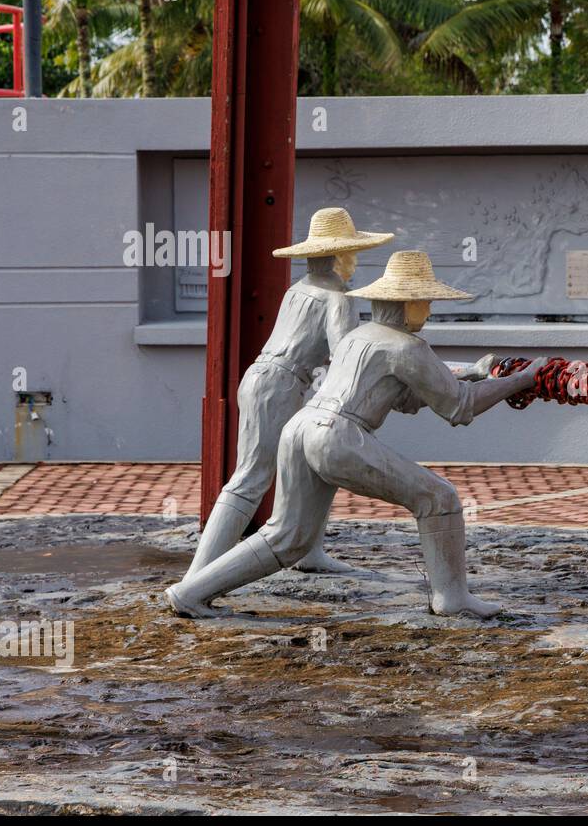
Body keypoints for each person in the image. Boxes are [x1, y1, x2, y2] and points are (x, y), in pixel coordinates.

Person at [167, 250, 546, 620]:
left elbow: (409, 397)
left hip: (299, 428)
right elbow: (460, 408)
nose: (428, 311)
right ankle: (452, 597)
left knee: (288, 536)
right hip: (338, 436)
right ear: (408, 304)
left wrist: (475, 374)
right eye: (425, 302)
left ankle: (191, 591)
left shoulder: (359, 336)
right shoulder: (410, 347)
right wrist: (522, 379)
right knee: (438, 497)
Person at [188, 207, 392, 577]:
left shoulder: (297, 289)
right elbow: (345, 354)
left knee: (309, 467)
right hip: (280, 386)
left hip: (267, 380)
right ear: (341, 255)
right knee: (250, 478)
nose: (356, 262)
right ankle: (198, 576)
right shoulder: (338, 297)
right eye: (354, 254)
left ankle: (310, 552)